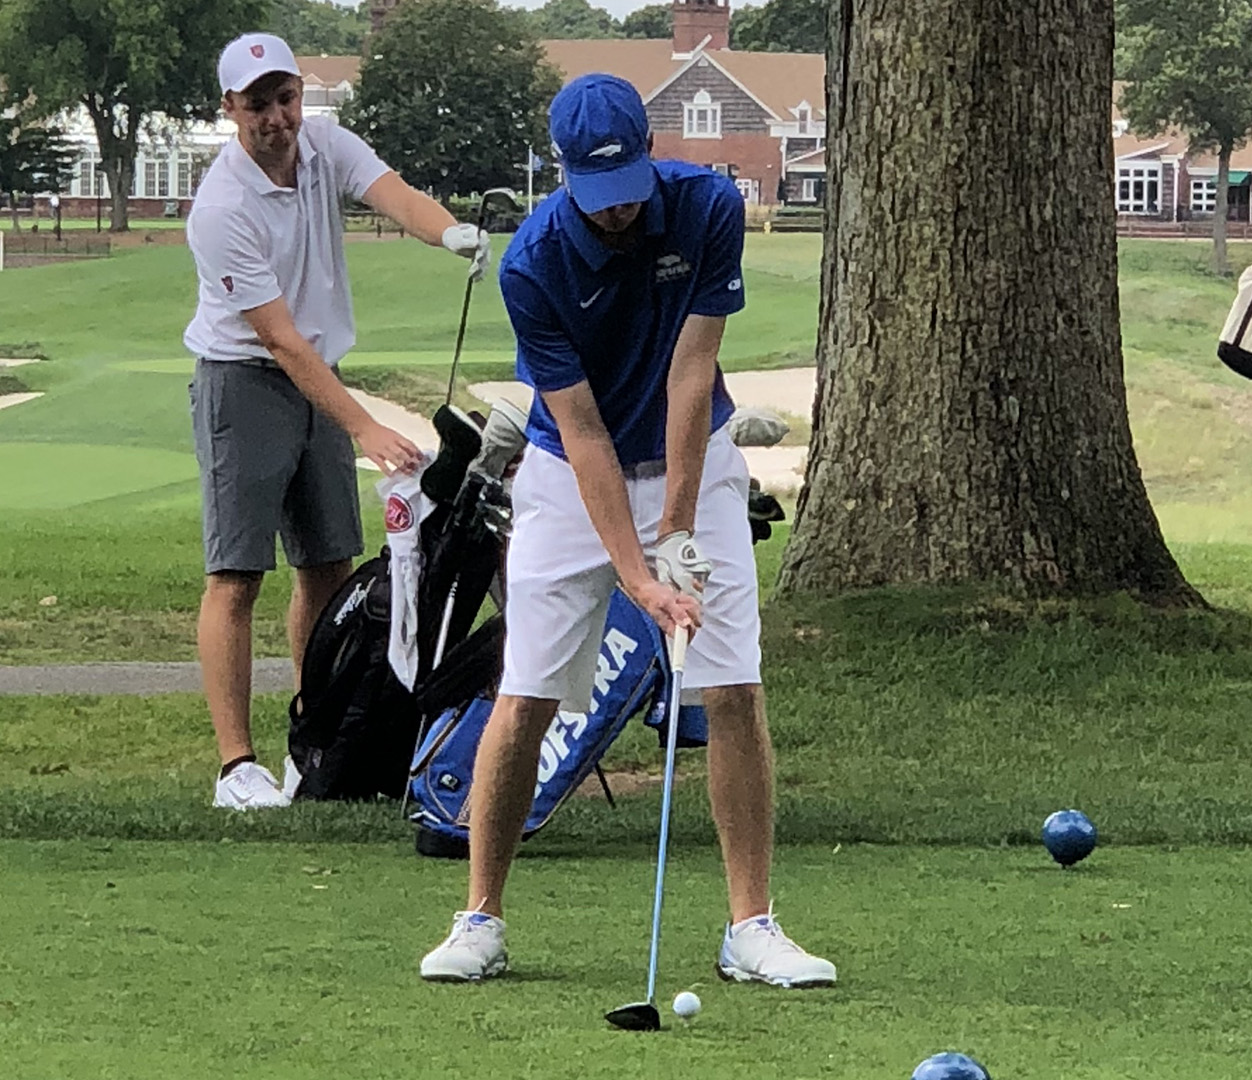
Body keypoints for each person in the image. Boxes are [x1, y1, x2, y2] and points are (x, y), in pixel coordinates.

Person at [418, 73, 836, 989]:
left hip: (696, 459)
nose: (618, 213)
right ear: (564, 174)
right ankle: (479, 917)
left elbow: (693, 373)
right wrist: (639, 579)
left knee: (730, 685)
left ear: (650, 152)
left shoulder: (705, 204)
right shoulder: (531, 264)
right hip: (573, 479)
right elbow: (583, 432)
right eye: (597, 196)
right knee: (527, 693)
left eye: (629, 190)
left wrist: (677, 534)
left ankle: (750, 928)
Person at [183, 32, 491, 809]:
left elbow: (393, 193)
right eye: (258, 104)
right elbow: (279, 339)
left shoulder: (326, 145)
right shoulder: (221, 207)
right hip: (244, 383)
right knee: (236, 574)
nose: (277, 117)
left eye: (286, 98)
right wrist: (363, 427)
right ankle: (235, 767)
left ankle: (314, 741)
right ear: (230, 110)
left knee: (325, 565)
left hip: (318, 376)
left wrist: (448, 231)